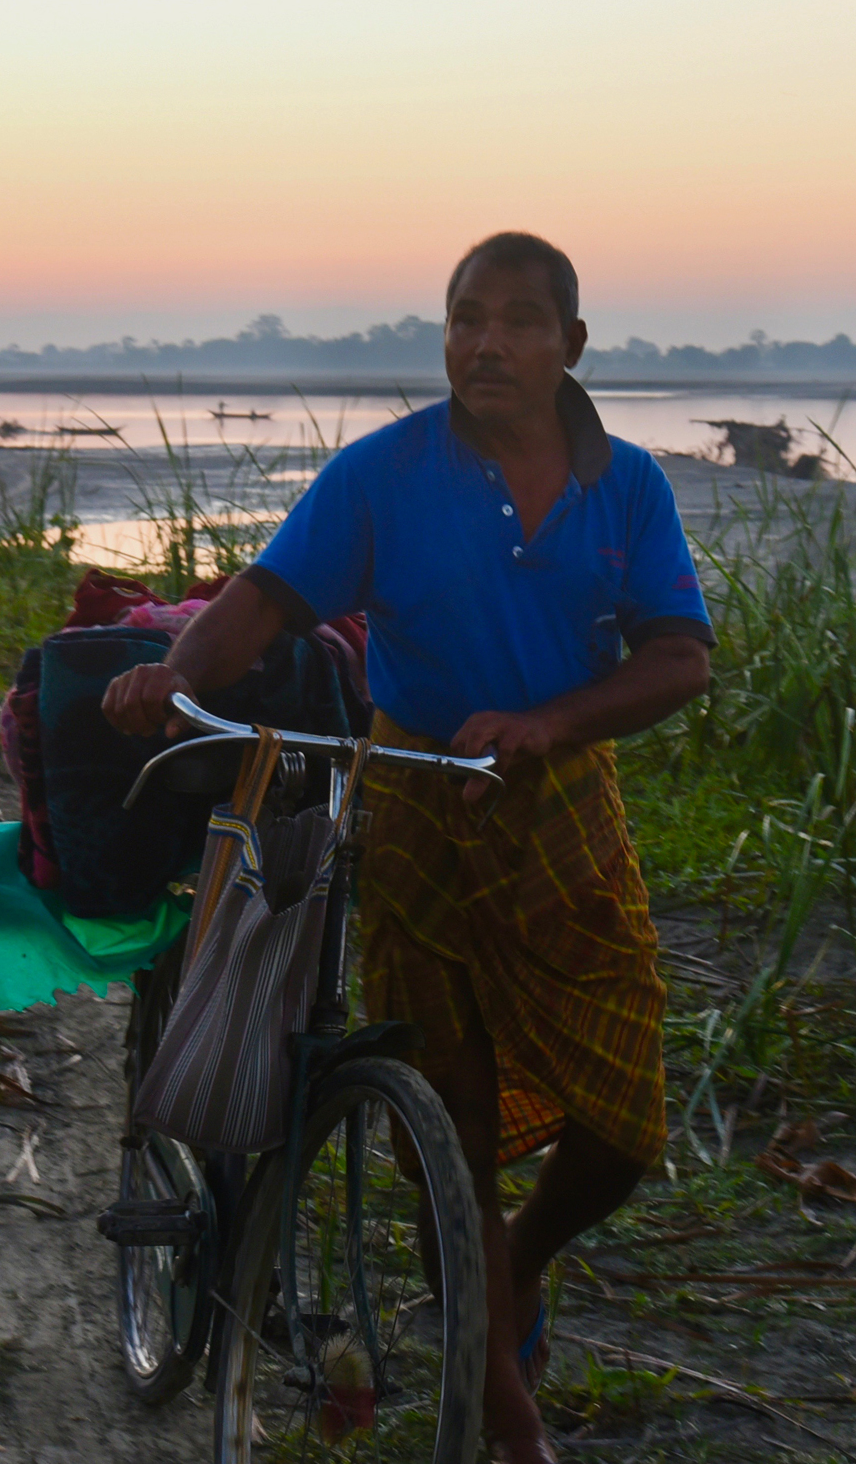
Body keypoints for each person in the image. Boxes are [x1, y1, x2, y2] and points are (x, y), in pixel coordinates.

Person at [104, 231, 714, 1463]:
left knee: (626, 1125)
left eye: (519, 321)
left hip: (563, 809)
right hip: (420, 802)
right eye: (464, 317)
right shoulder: (382, 474)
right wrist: (171, 676)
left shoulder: (630, 486)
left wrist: (549, 723)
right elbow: (268, 600)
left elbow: (678, 656)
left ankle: (517, 1264)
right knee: (457, 1124)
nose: (486, 342)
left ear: (571, 345)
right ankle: (513, 1422)